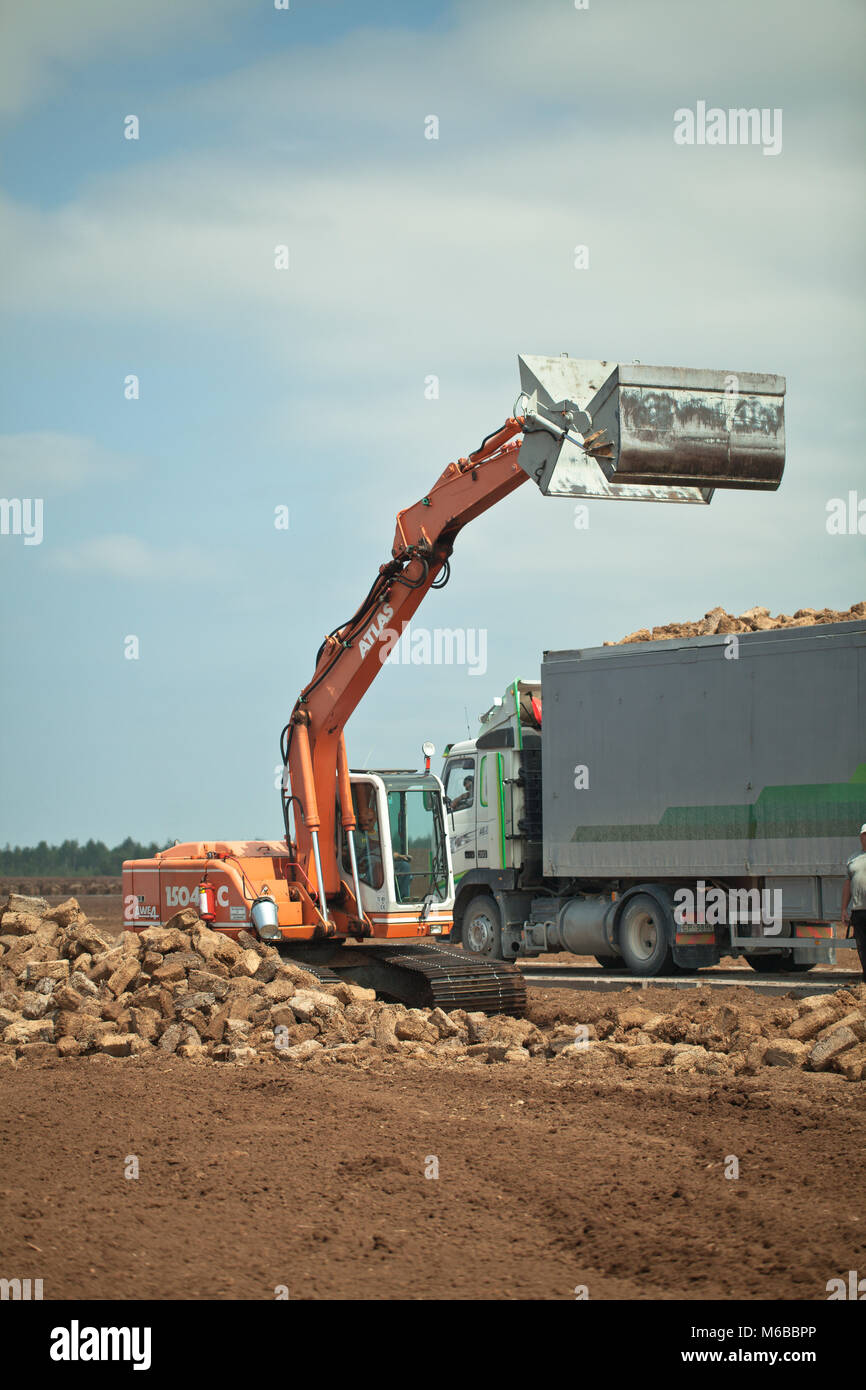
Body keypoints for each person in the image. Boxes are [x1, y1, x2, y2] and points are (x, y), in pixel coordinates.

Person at [841, 823, 866, 977]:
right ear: (860, 837)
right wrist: (843, 909)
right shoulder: (853, 859)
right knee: (862, 947)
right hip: (859, 911)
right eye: (864, 835)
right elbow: (847, 884)